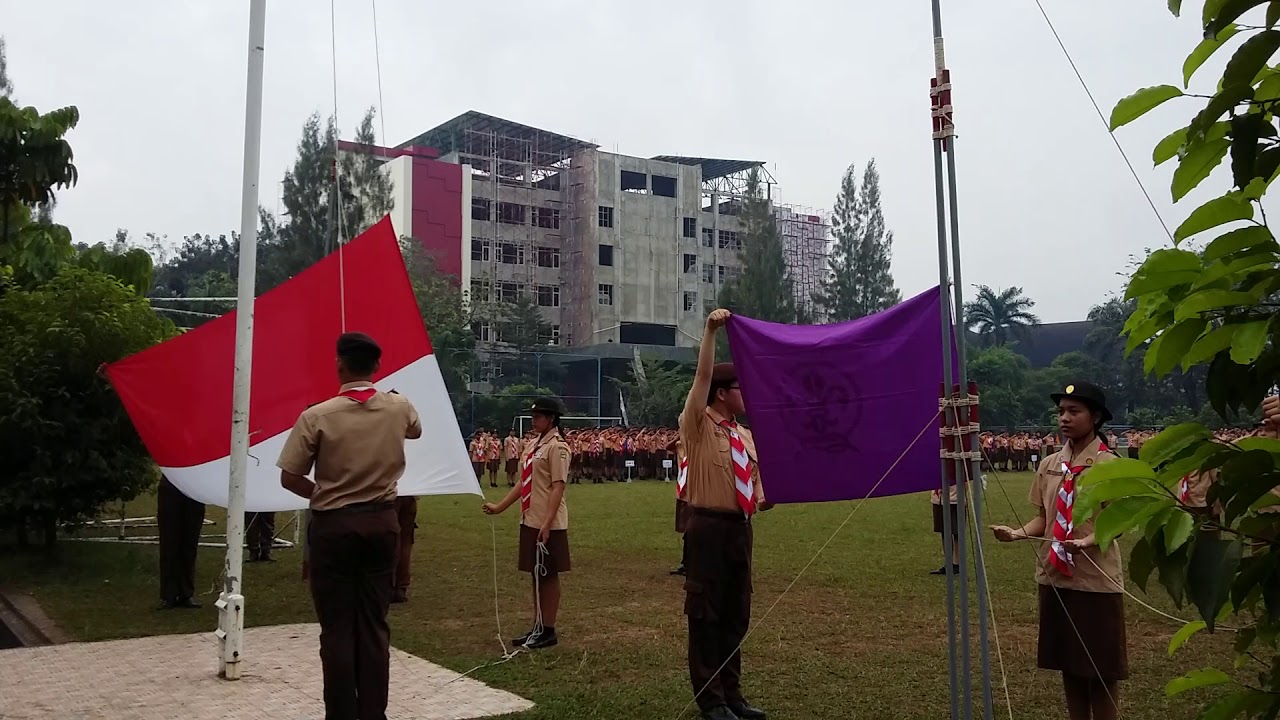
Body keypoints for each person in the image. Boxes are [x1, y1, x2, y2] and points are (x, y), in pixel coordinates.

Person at [277, 332, 422, 720]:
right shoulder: (399, 407)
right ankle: (374, 713)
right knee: (374, 624)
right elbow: (416, 430)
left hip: (335, 527)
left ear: (339, 364)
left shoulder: (317, 416)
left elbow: (289, 477)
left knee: (338, 627)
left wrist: (325, 494)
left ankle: (341, 713)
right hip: (381, 522)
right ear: (376, 367)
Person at [990, 382, 1126, 720]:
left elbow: (1118, 520)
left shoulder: (1110, 465)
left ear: (1095, 417)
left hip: (1096, 579)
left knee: (1101, 670)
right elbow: (1043, 519)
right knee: (1070, 665)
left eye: (1073, 411)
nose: (1064, 418)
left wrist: (1087, 541)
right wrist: (1017, 534)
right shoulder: (1050, 463)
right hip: (1055, 578)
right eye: (1061, 411)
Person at [679, 308, 772, 720]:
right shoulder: (697, 425)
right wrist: (710, 333)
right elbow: (700, 379)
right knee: (706, 614)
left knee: (736, 613)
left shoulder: (745, 436)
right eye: (740, 388)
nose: (746, 395)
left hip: (740, 529)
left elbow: (756, 484)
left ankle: (733, 694)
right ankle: (711, 700)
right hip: (708, 528)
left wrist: (769, 495)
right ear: (721, 393)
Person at [483, 398, 572, 650]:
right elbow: (524, 482)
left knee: (548, 574)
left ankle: (548, 629)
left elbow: (558, 487)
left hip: (549, 521)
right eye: (533, 417)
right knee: (536, 573)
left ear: (552, 419)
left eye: (539, 417)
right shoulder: (533, 445)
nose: (534, 421)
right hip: (530, 517)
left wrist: (547, 522)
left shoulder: (558, 447)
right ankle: (538, 625)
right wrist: (500, 506)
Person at [157, 475, 205, 609]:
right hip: (171, 489)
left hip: (194, 491)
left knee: (189, 546)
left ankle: (186, 593)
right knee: (169, 544)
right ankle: (168, 595)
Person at [393, 496, 417, 603]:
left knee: (391, 541)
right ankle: (401, 585)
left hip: (390, 498)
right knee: (405, 542)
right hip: (409, 496)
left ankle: (391, 584)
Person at [671, 437, 690, 576]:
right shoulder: (681, 446)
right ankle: (686, 563)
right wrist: (681, 434)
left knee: (693, 531)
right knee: (686, 531)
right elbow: (668, 446)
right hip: (683, 493)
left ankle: (691, 563)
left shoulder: (701, 447)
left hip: (695, 495)